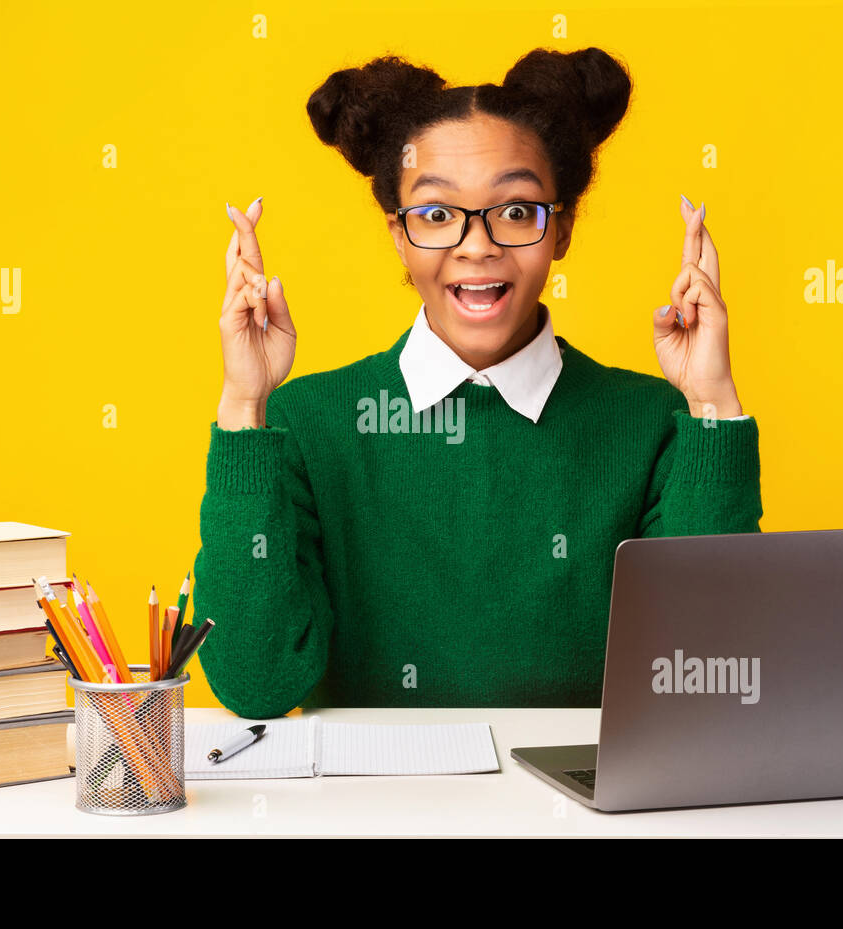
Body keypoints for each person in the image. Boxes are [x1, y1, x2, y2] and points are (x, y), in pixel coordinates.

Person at [193, 47, 762, 719]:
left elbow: (710, 675)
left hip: (583, 819)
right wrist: (243, 405)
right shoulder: (305, 421)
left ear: (563, 228)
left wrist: (711, 404)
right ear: (399, 238)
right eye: (436, 216)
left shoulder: (649, 420)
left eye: (516, 210)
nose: (477, 245)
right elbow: (256, 683)